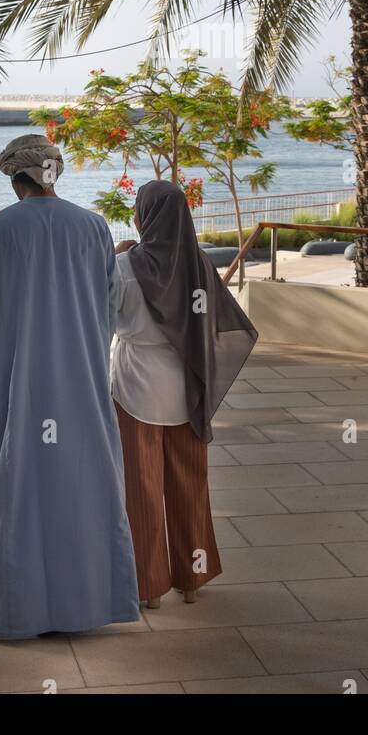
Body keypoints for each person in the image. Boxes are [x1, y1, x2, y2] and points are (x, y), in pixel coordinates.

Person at [0, 133, 138, 639]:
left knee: (8, 486)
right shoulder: (95, 227)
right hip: (83, 380)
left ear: (15, 179)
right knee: (81, 485)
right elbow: (110, 303)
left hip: (20, 381)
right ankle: (85, 604)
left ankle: (1, 609)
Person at [111, 179, 258, 608]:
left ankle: (148, 585)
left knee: (140, 486)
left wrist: (117, 256)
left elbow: (103, 321)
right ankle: (190, 581)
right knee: (189, 483)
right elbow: (214, 326)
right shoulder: (200, 266)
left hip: (136, 385)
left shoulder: (124, 268)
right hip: (187, 385)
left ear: (145, 217)